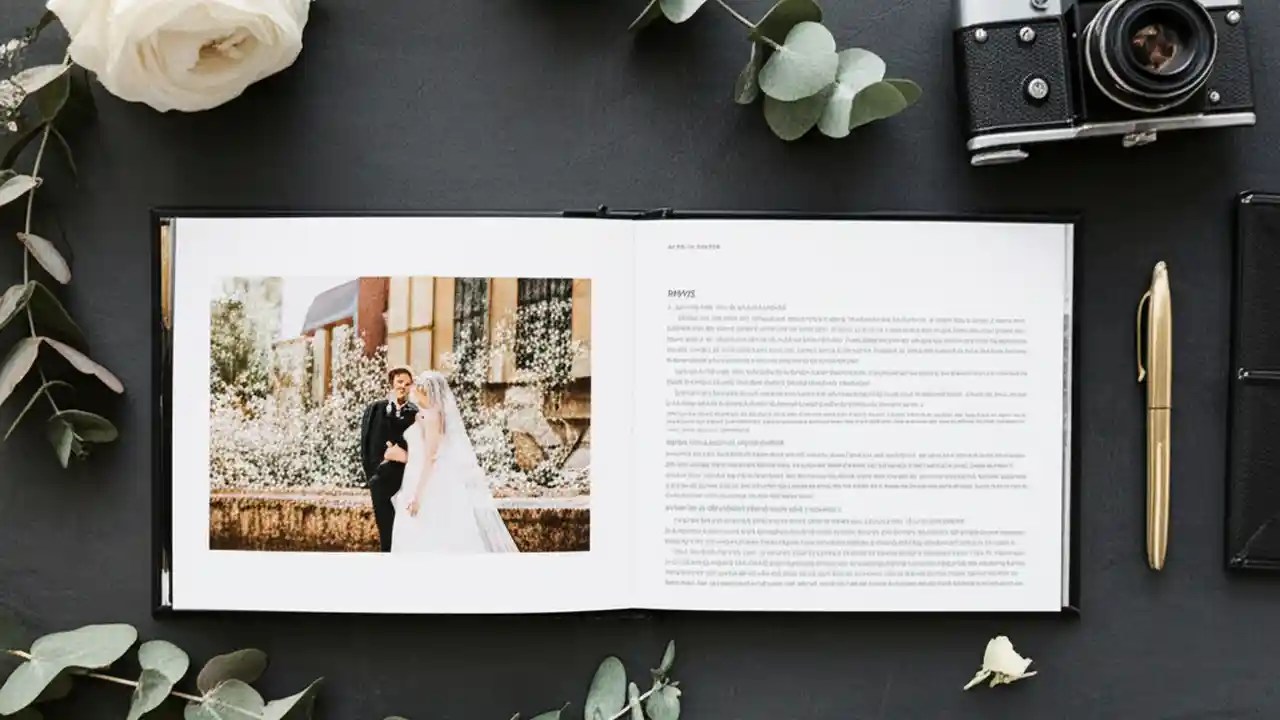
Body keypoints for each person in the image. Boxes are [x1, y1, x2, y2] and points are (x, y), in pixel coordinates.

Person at [384, 370, 519, 554]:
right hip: (416, 475)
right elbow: (420, 452)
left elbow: (431, 457)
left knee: (426, 534)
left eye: (418, 387)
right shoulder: (423, 415)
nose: (413, 389)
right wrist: (400, 454)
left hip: (427, 482)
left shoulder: (432, 417)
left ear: (427, 391)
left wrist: (417, 496)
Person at [359, 365, 418, 552]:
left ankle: (397, 549)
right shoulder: (375, 409)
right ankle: (387, 550)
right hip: (379, 475)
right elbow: (366, 442)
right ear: (391, 383)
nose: (403, 386)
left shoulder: (415, 413)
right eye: (400, 382)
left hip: (403, 472)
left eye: (408, 384)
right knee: (384, 519)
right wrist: (372, 471)